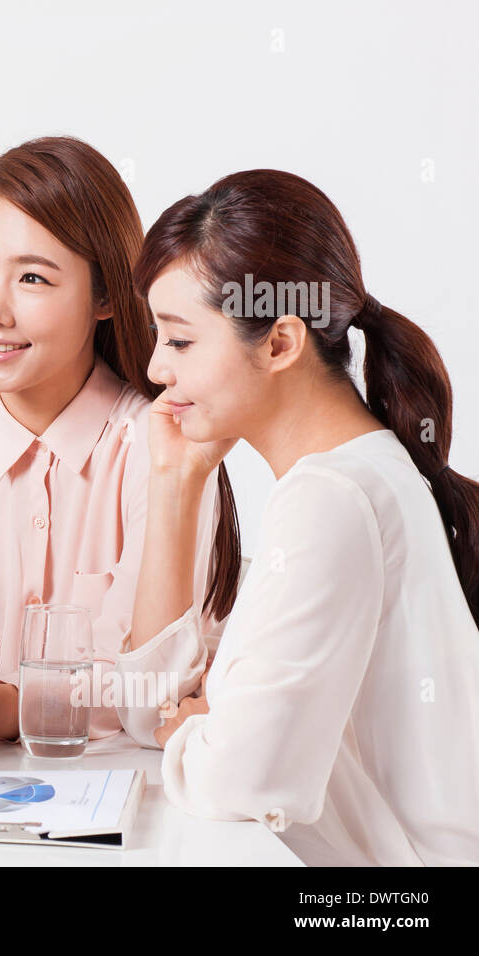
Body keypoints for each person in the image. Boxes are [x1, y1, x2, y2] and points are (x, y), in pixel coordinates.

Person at [122, 168, 479, 866]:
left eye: (181, 340)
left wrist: (196, 733)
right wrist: (175, 481)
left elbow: (247, 780)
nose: (156, 367)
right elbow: (148, 712)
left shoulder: (332, 499)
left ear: (281, 343)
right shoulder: (356, 472)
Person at [0, 137, 240, 742]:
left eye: (32, 277)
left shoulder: (163, 453)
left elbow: (144, 697)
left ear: (106, 297)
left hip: (142, 811)